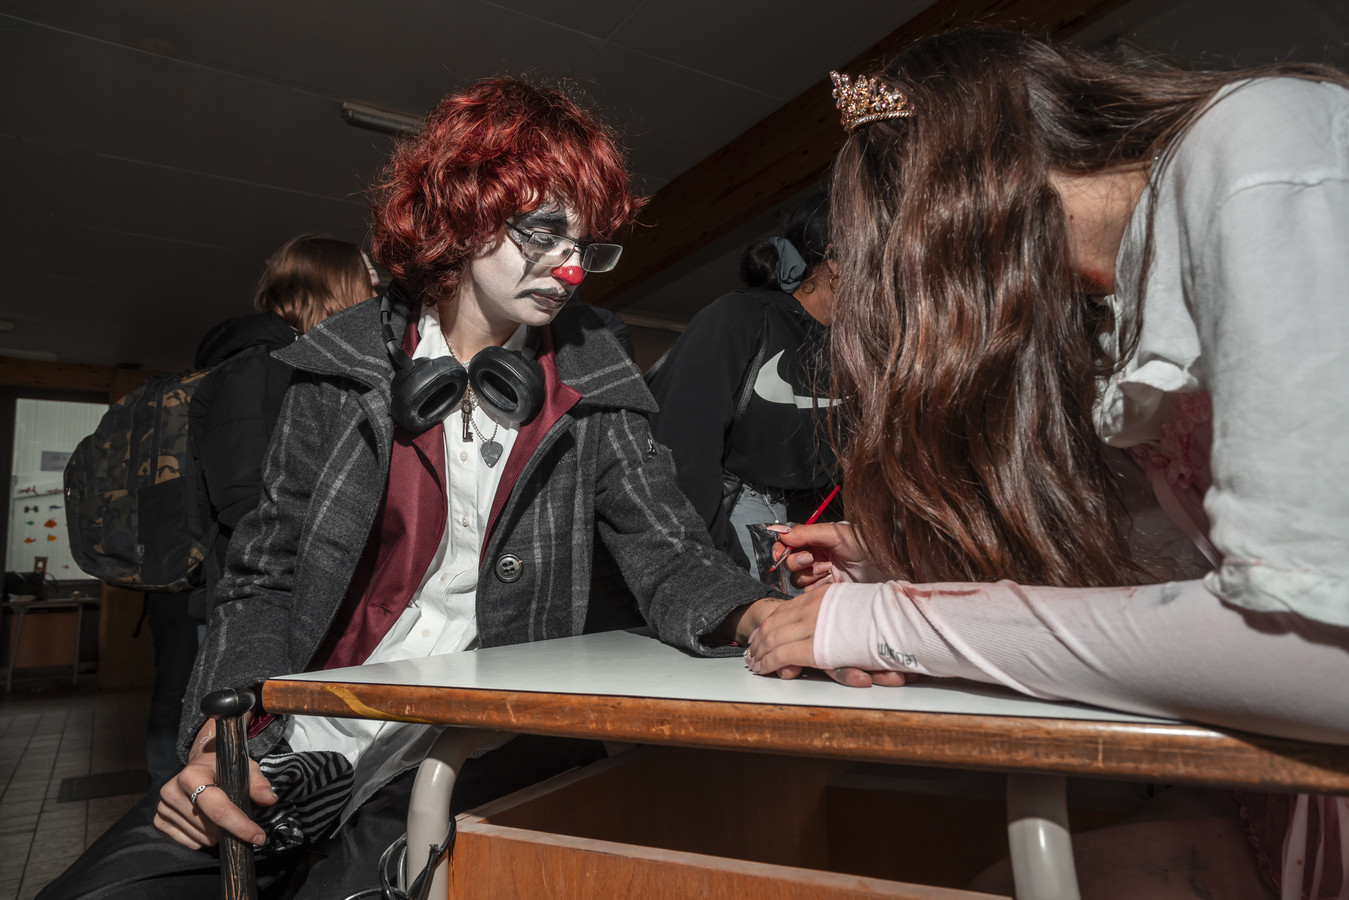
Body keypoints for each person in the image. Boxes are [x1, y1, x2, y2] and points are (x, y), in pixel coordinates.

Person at [38, 77, 779, 900]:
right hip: (309, 729)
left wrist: (760, 615)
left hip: (475, 745)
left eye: (587, 245)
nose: (571, 268)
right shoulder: (335, 369)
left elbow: (668, 550)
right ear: (461, 214)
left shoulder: (595, 376)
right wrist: (224, 736)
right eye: (543, 234)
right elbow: (264, 576)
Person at [747, 29, 1349, 900]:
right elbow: (1185, 553)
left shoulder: (1261, 150)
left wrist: (894, 620)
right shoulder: (1125, 288)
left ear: (960, 203)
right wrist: (897, 557)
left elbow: (1315, 653)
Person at [647, 192, 839, 579]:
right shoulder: (741, 317)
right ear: (836, 262)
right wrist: (724, 571)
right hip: (729, 529)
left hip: (811, 542)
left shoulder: (855, 350)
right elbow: (678, 455)